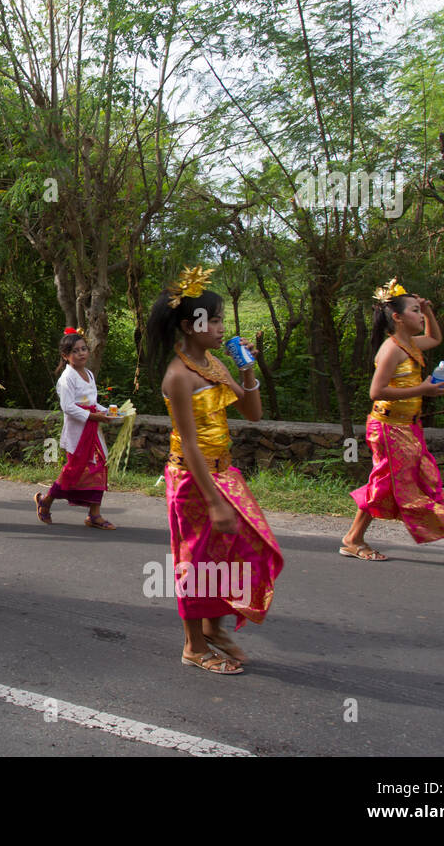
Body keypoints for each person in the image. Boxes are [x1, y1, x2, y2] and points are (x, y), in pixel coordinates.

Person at [145, 266, 284, 674]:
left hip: (225, 473)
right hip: (193, 479)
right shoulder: (178, 376)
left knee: (239, 550)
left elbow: (253, 414)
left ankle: (215, 627)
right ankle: (194, 645)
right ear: (191, 325)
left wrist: (246, 369)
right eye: (216, 319)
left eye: (221, 318)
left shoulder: (215, 365)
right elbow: (188, 444)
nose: (222, 327)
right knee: (197, 560)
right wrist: (214, 502)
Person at [343, 279, 444, 566]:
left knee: (400, 482)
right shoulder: (392, 349)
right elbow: (375, 392)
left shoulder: (410, 343)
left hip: (407, 426)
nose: (420, 315)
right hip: (388, 428)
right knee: (410, 484)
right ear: (398, 318)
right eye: (415, 310)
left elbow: (436, 338)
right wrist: (422, 390)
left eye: (420, 310)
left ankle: (354, 539)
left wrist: (429, 311)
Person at [34, 329, 121, 529]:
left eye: (84, 349)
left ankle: (94, 515)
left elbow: (92, 402)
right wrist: (94, 416)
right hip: (78, 432)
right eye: (75, 351)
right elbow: (68, 407)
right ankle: (45, 502)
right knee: (73, 472)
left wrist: (107, 412)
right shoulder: (66, 379)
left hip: (92, 430)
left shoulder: (88, 374)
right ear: (65, 356)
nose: (81, 353)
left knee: (99, 467)